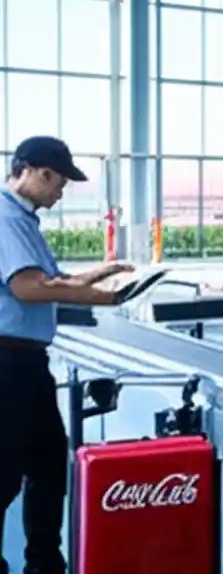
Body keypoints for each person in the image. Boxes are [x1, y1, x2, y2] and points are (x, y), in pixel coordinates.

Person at [0, 136, 133, 574]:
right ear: (36, 172)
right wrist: (107, 300)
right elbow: (28, 288)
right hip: (7, 362)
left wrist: (103, 275)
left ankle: (44, 563)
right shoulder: (4, 217)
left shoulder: (23, 220)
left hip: (28, 363)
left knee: (47, 462)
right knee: (5, 471)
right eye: (58, 181)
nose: (61, 191)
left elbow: (55, 281)